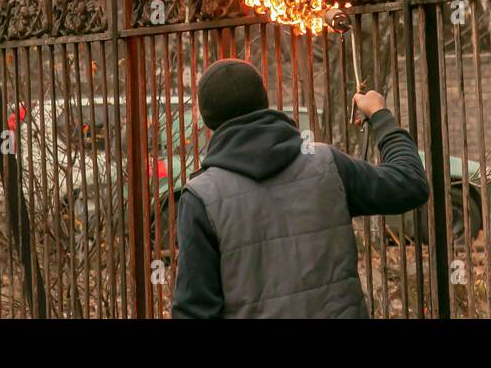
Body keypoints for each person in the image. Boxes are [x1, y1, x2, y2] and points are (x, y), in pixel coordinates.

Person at [171, 58, 430, 318]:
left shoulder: (201, 197)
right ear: (263, 101)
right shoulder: (327, 164)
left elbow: (194, 310)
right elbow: (409, 183)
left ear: (207, 121)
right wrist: (380, 116)